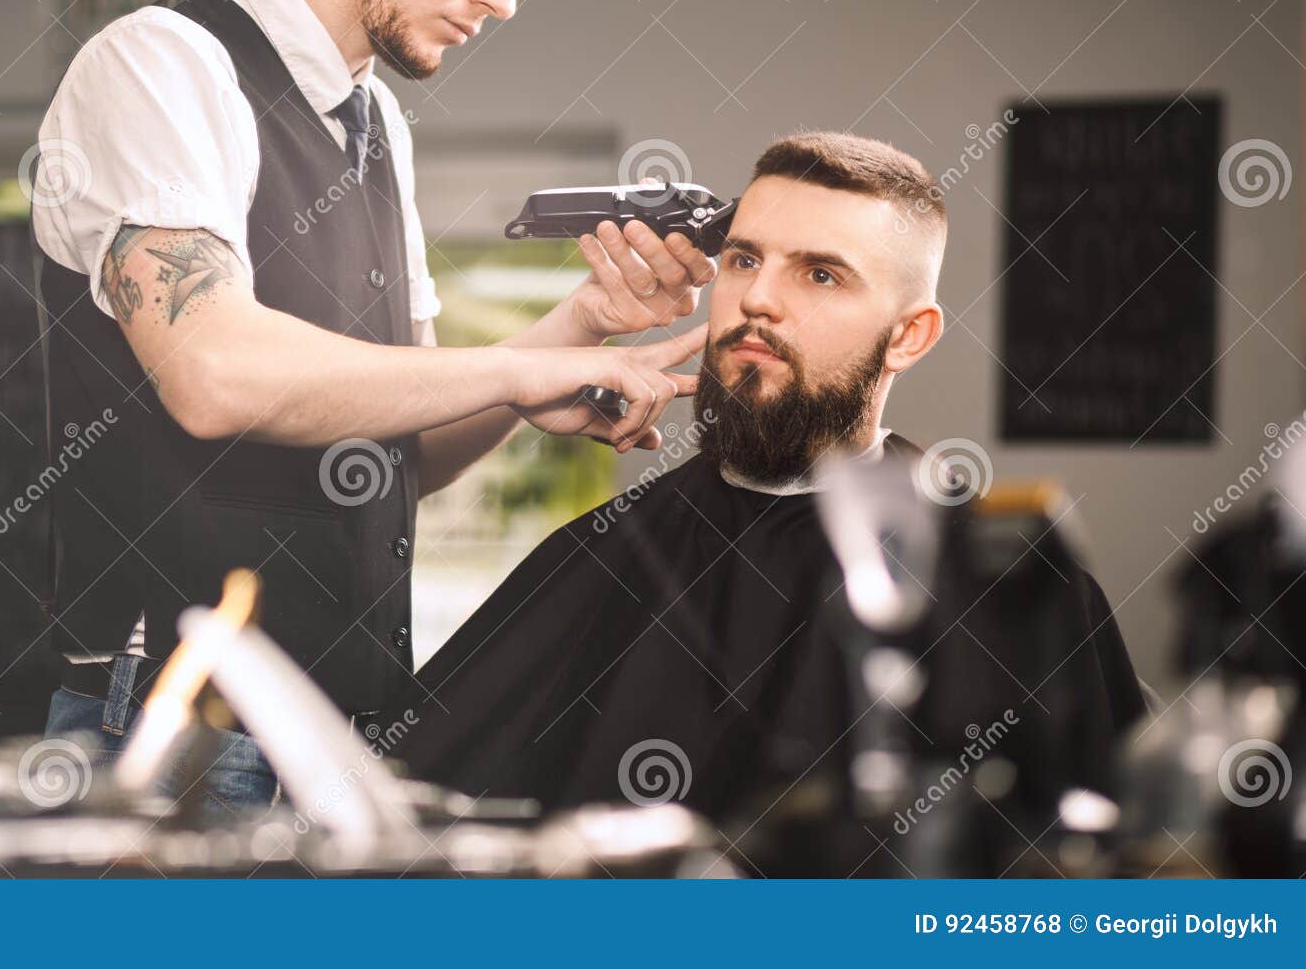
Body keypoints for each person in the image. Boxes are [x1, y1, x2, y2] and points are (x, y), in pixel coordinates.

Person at [29, 0, 715, 811]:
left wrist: (574, 329)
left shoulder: (376, 125)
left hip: (337, 727)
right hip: (178, 728)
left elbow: (400, 454)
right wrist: (514, 367)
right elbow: (212, 370)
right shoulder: (161, 64)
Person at [389, 132, 1147, 837]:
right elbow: (407, 818)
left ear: (908, 336)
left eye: (820, 274)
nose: (757, 299)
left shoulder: (997, 575)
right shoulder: (604, 550)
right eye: (745, 260)